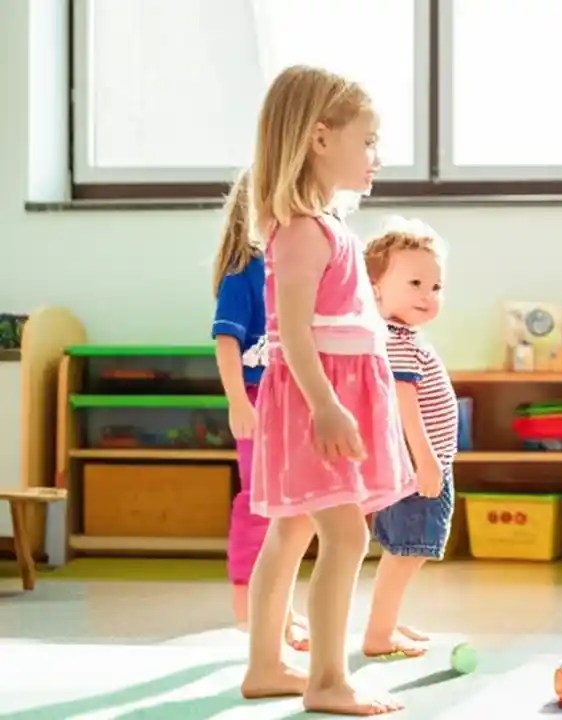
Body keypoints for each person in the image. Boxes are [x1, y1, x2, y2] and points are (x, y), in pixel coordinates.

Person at [238, 65, 416, 716]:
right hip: (316, 403)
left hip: (324, 399)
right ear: (320, 138)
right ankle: (328, 680)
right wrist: (327, 405)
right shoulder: (303, 231)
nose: (376, 155)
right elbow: (291, 331)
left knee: (291, 531)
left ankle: (266, 665)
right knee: (346, 538)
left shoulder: (323, 226)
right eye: (367, 141)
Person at [211, 168, 309, 649]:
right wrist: (237, 401)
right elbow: (226, 341)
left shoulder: (294, 264)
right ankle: (249, 609)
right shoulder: (244, 272)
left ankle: (280, 607)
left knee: (290, 508)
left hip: (291, 401)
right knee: (259, 503)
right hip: (257, 400)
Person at [361, 218, 457, 658]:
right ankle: (379, 633)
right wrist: (426, 461)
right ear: (375, 287)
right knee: (407, 551)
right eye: (415, 283)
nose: (427, 295)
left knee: (408, 550)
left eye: (436, 286)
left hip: (416, 464)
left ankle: (387, 620)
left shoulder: (401, 336)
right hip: (416, 467)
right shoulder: (397, 341)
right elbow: (404, 406)